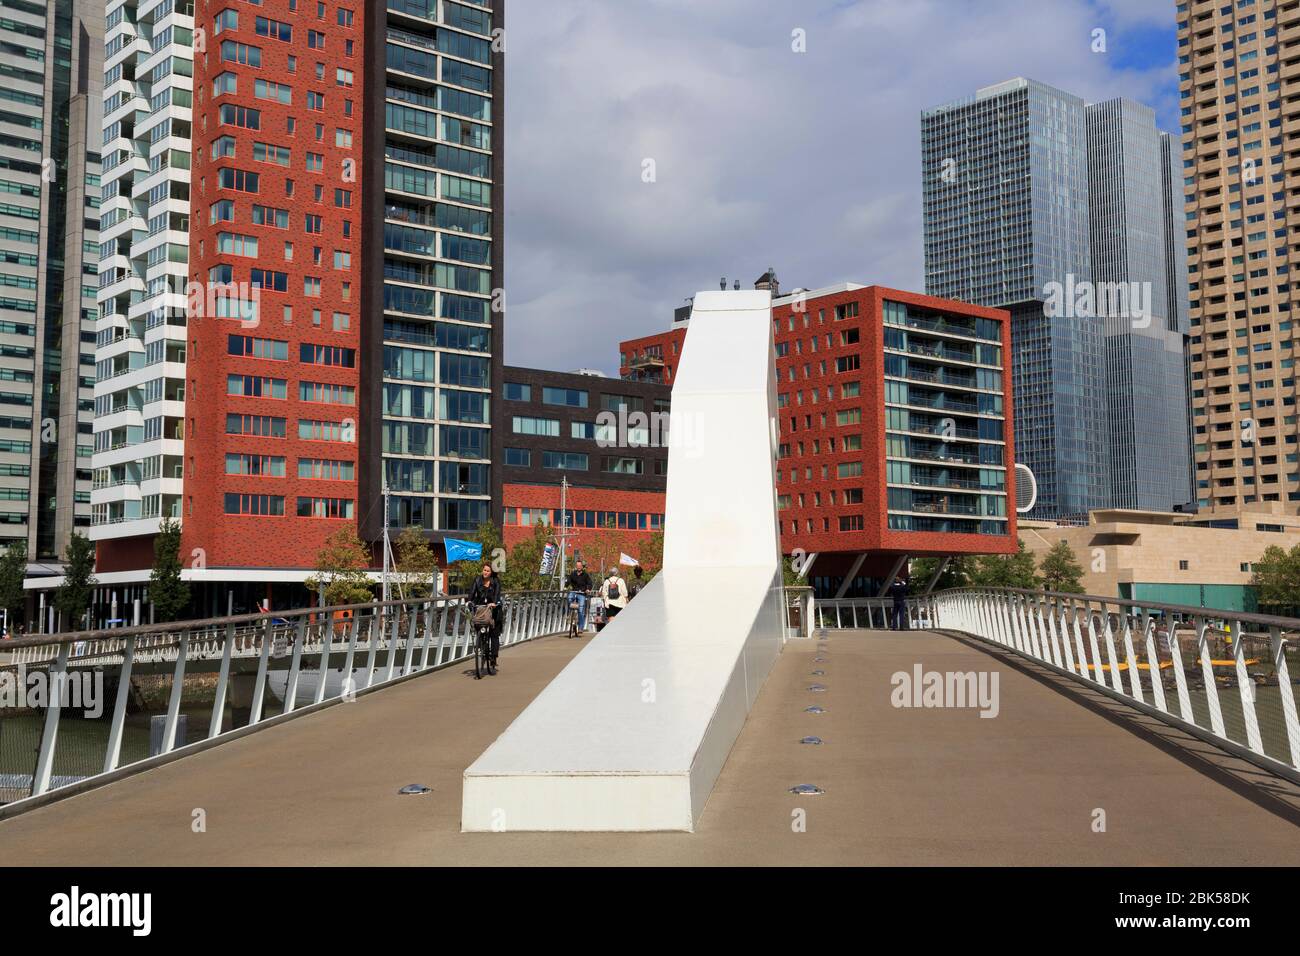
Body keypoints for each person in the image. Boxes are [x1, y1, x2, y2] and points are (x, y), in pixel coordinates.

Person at [467, 563, 502, 669]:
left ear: (491, 573)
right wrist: (469, 601)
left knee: (494, 634)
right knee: (480, 629)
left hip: (494, 609)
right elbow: (472, 592)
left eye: (488, 571)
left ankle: (493, 658)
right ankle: (483, 650)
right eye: (484, 570)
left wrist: (494, 603)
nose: (485, 572)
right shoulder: (477, 580)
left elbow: (497, 594)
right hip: (481, 609)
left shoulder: (495, 581)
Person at [565, 560, 594, 631]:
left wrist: (588, 589)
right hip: (574, 591)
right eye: (577, 566)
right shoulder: (573, 573)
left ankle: (581, 627)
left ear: (582, 567)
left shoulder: (585, 574)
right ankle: (570, 613)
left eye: (579, 566)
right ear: (576, 566)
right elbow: (568, 580)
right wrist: (565, 586)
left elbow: (590, 583)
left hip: (582, 593)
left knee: (581, 610)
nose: (578, 567)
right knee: (569, 598)